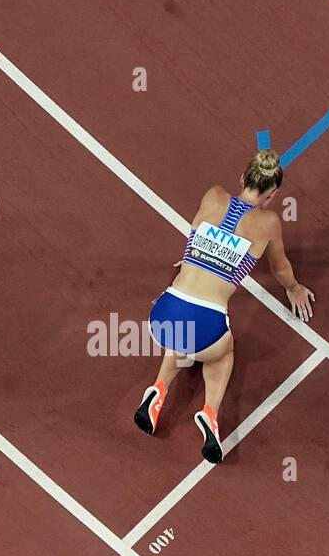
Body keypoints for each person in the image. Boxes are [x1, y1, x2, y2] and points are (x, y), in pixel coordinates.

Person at [133, 149, 314, 464]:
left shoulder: (213, 194)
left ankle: (158, 390)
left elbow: (195, 230)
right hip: (206, 325)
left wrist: (194, 259)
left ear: (243, 178)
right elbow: (280, 267)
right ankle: (211, 412)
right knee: (221, 353)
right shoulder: (269, 221)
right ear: (272, 194)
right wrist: (294, 288)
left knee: (180, 336)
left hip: (162, 315)